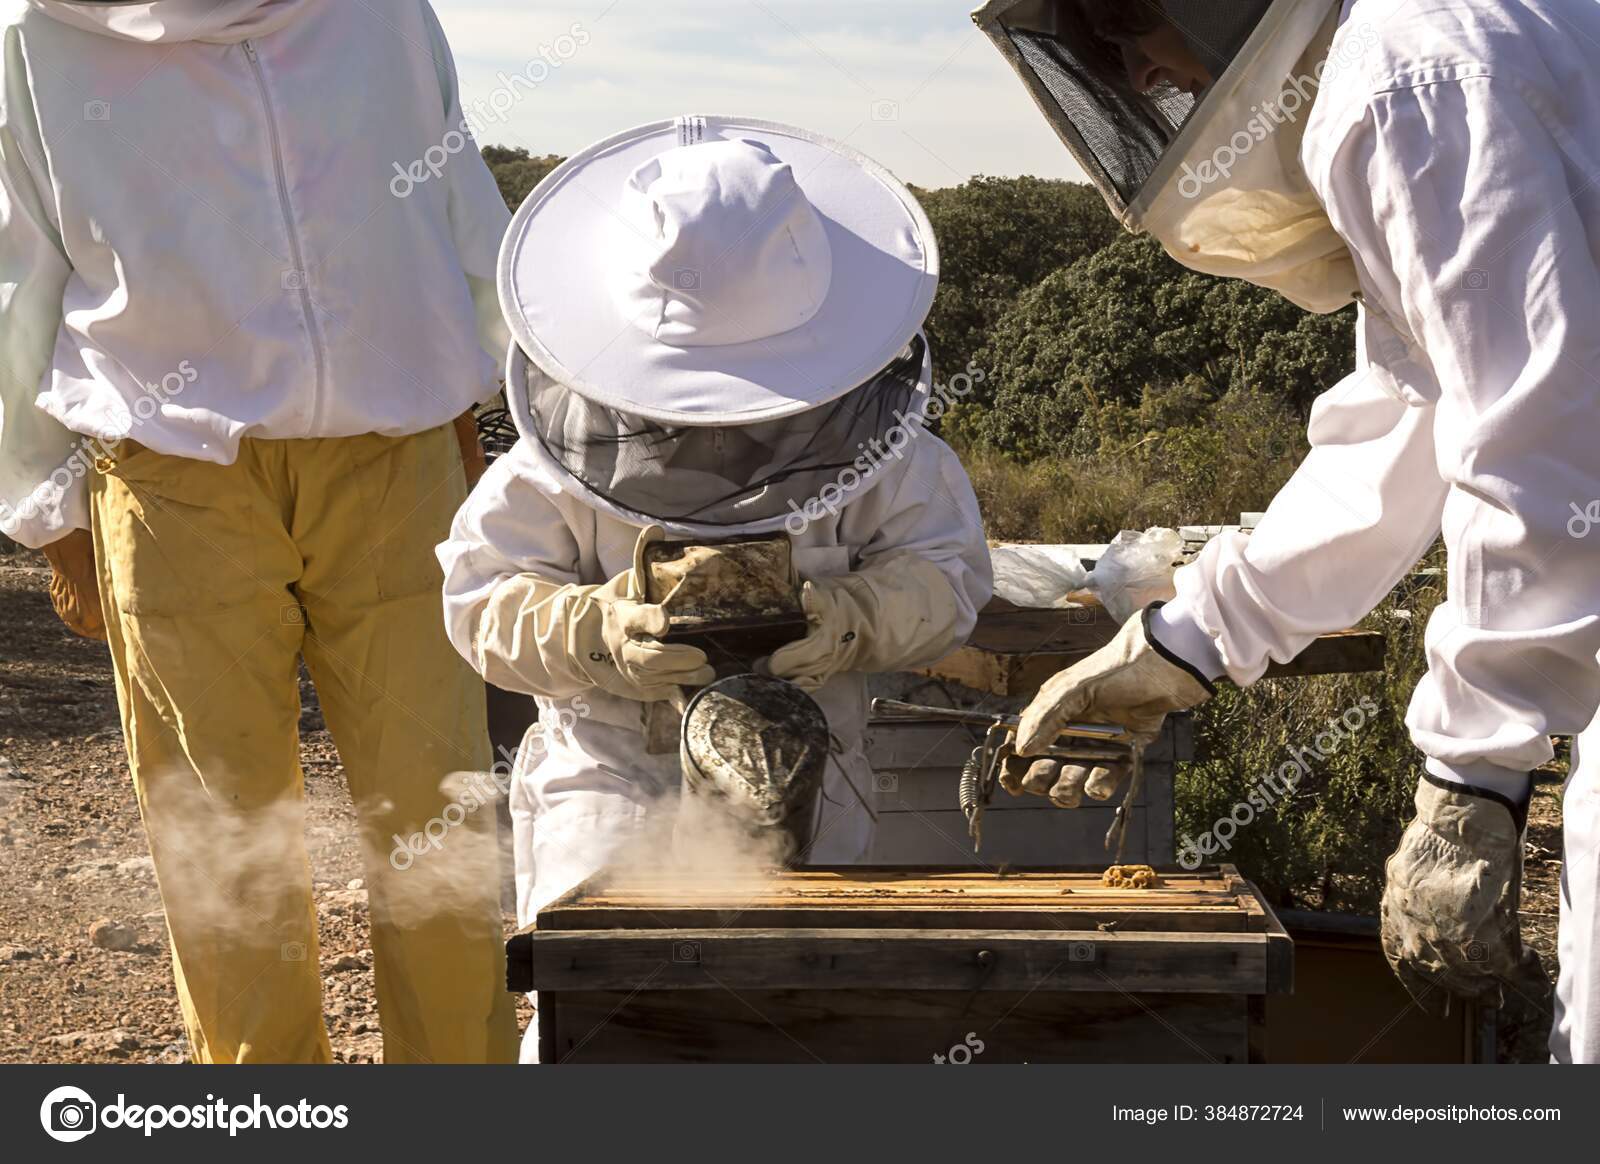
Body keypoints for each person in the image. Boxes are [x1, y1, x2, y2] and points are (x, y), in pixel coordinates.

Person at [975, 0, 1600, 1062]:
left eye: (1129, 20)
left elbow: (1539, 440)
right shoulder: (1411, 48)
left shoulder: (1404, 76)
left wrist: (1470, 773)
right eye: (1101, 50)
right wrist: (1187, 638)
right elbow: (1408, 413)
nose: (1137, 75)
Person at [0, 0, 517, 1062]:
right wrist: (47, 514)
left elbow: (455, 212)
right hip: (165, 475)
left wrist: (471, 417)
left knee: (440, 818)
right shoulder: (39, 39)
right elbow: (20, 281)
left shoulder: (380, 17)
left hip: (396, 453)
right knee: (222, 834)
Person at [437, 115, 994, 1061]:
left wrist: (856, 620)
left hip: (812, 778)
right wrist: (589, 629)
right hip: (611, 778)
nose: (728, 429)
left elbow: (948, 573)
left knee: (810, 1042)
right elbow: (479, 595)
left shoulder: (889, 451)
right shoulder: (548, 466)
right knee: (609, 1041)